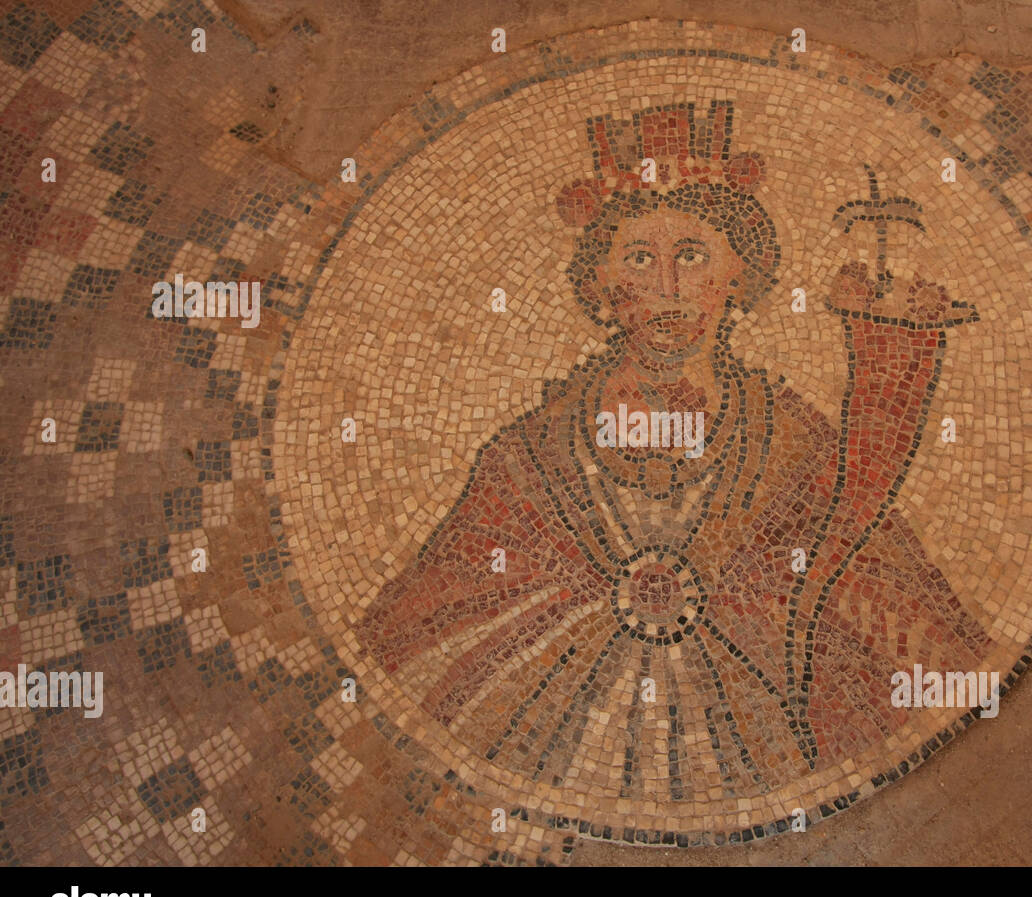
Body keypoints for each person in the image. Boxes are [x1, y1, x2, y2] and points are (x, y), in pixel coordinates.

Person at [357, 102, 990, 800]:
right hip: (551, 740)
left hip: (755, 748)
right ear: (602, 287)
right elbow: (432, 615)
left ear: (739, 277)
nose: (666, 287)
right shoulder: (532, 453)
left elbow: (880, 590)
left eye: (691, 256)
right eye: (638, 257)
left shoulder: (789, 439)